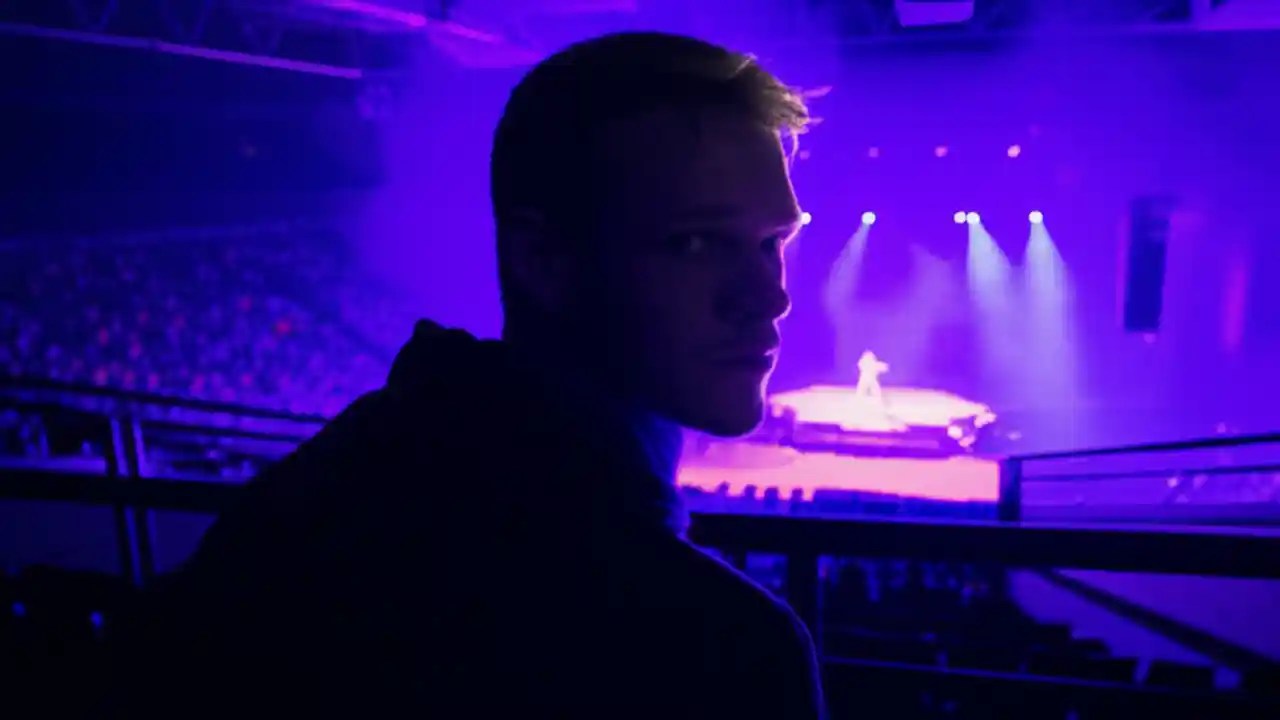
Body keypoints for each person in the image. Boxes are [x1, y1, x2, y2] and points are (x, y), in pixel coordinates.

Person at [105, 32, 822, 719]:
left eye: (770, 243)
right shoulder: (721, 651)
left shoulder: (317, 499)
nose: (769, 295)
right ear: (543, 258)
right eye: (694, 243)